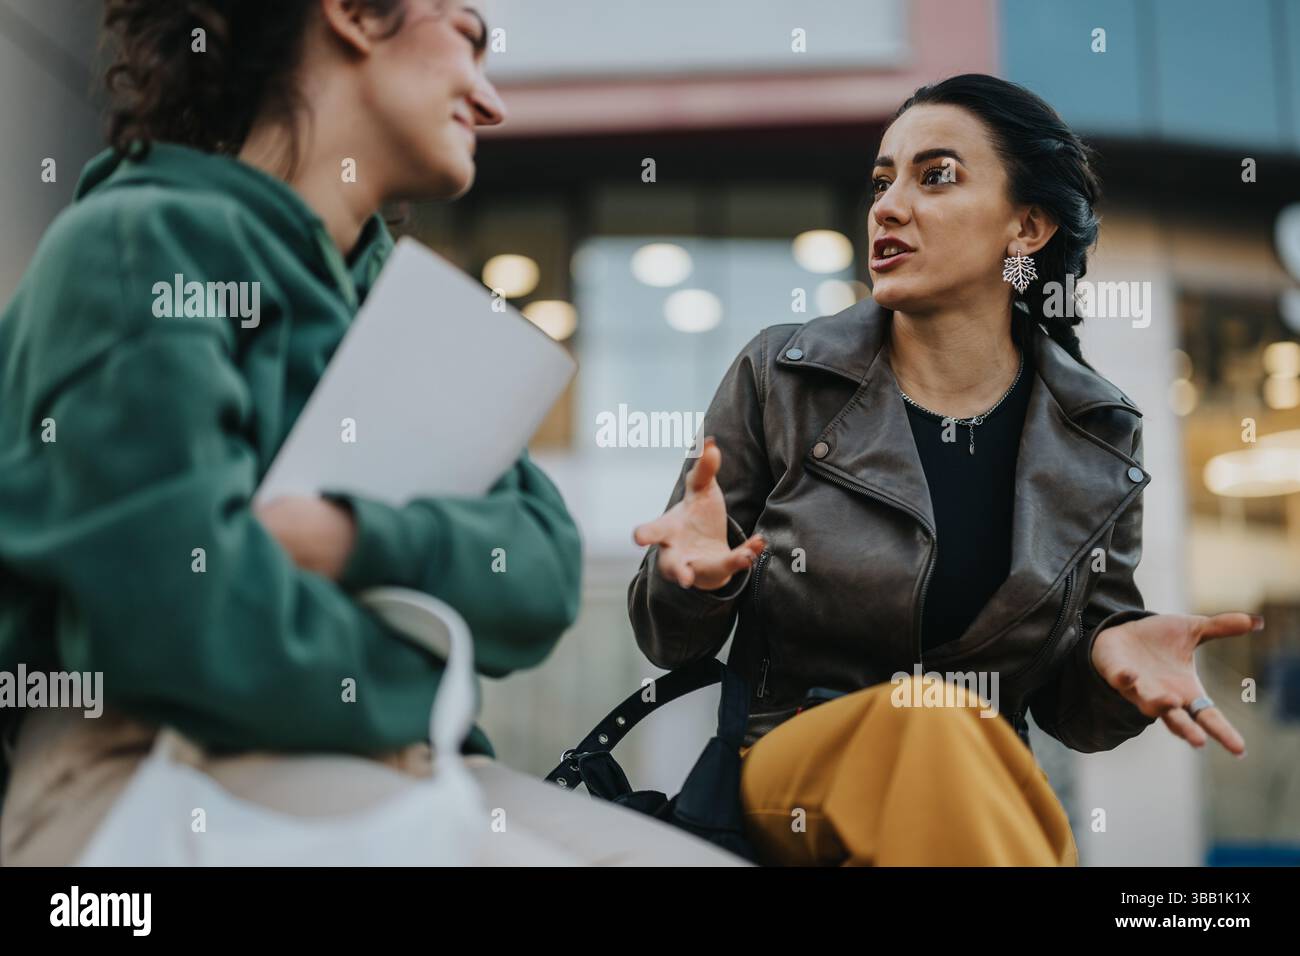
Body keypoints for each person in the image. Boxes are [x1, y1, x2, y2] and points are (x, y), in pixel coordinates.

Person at [0, 0, 742, 866]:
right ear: (352, 14)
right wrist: (434, 669)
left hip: (408, 773)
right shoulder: (138, 244)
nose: (491, 100)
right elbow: (184, 630)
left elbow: (538, 569)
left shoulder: (414, 309)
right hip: (147, 778)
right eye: (468, 36)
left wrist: (347, 538)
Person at [629, 73, 1260, 866]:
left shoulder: (1099, 432)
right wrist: (695, 580)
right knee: (927, 726)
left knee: (981, 781)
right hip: (791, 773)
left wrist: (1106, 657)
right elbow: (669, 641)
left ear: (1026, 229)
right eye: (882, 181)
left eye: (936, 177)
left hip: (979, 786)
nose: (888, 206)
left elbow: (1076, 714)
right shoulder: (781, 374)